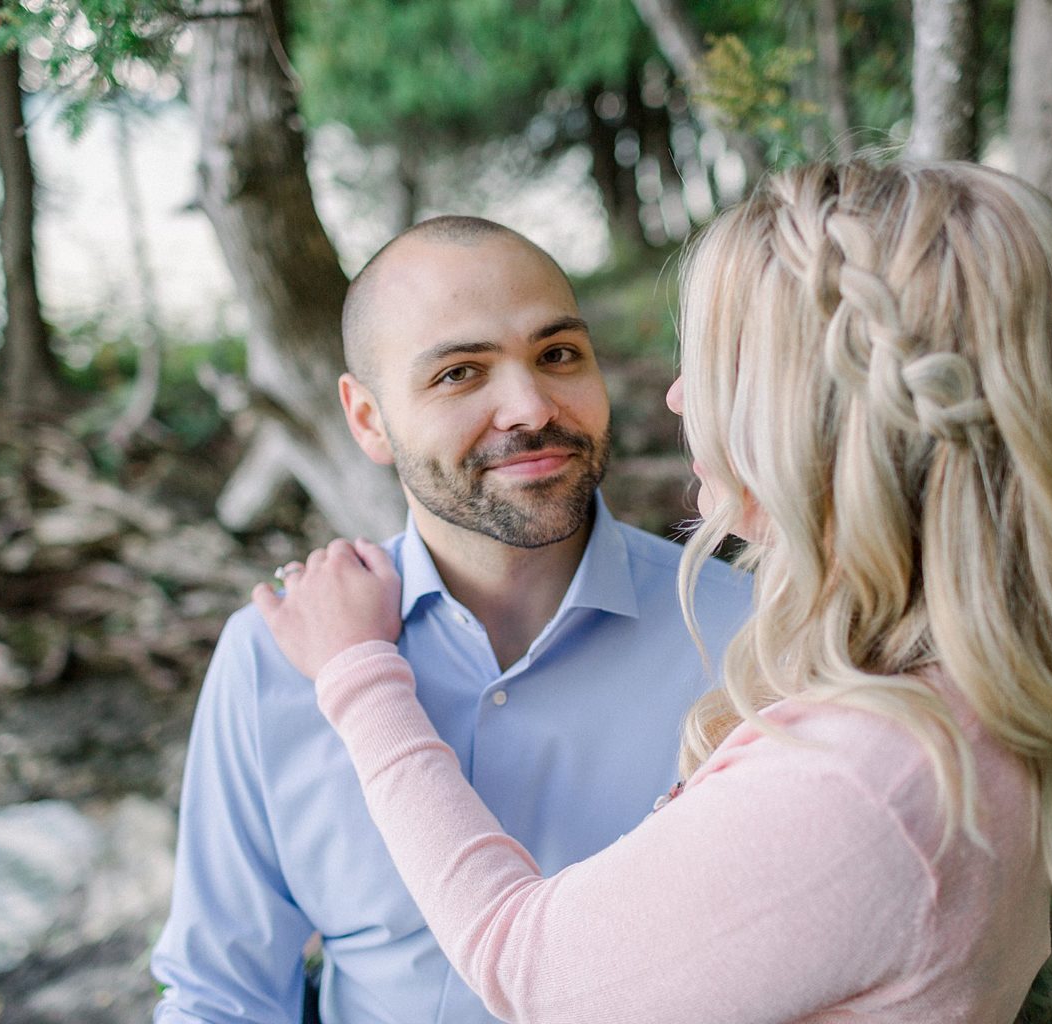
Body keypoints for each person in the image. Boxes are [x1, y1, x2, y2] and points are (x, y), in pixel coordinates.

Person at [254, 160, 1052, 1023]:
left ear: (836, 414)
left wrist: (359, 676)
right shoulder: (932, 691)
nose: (680, 397)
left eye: (724, 365)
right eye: (459, 371)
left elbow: (527, 971)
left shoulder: (864, 775)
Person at [151, 216, 753, 1024]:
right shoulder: (271, 656)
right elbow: (220, 997)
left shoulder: (754, 638)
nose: (530, 407)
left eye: (558, 355)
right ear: (368, 419)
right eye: (460, 373)